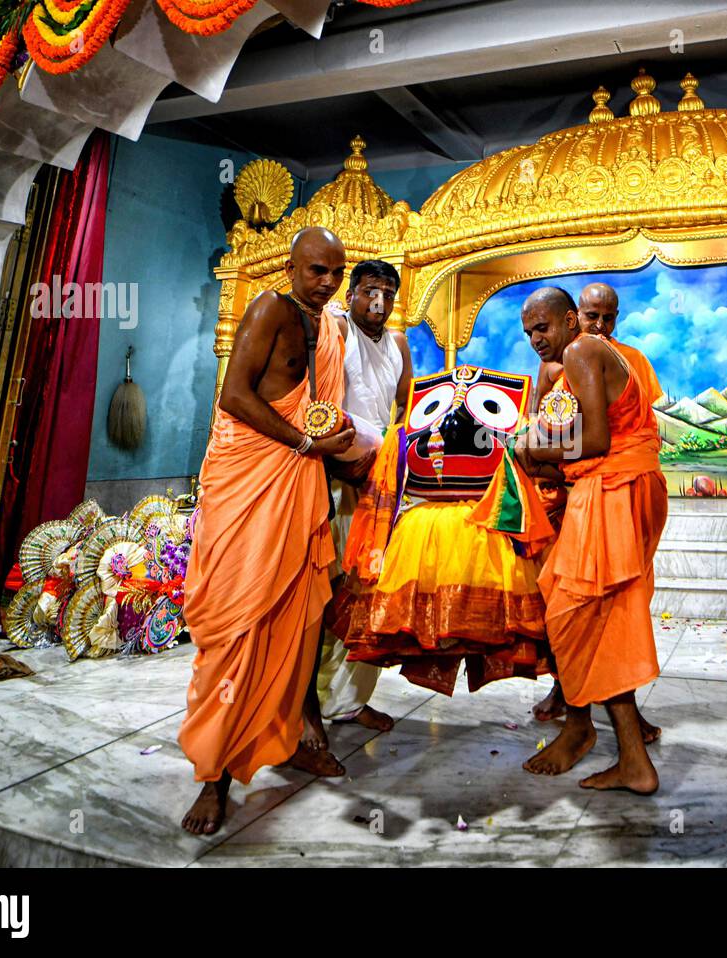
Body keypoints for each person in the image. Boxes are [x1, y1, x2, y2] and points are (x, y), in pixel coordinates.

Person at [179, 226, 356, 835]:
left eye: (337, 271)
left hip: (299, 478)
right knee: (239, 624)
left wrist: (336, 444)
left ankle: (300, 732)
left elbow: (315, 404)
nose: (328, 282)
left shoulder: (330, 327)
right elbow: (234, 395)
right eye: (316, 271)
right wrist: (309, 442)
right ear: (291, 267)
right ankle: (213, 777)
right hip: (251, 482)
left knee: (296, 614)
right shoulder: (269, 309)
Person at [518, 286, 668, 794]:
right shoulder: (573, 360)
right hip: (620, 485)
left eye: (543, 328)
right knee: (591, 614)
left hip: (612, 486)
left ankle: (609, 745)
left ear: (569, 320)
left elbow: (598, 440)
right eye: (529, 332)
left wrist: (534, 448)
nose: (537, 339)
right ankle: (613, 746)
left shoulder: (582, 349)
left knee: (578, 610)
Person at [312, 260, 412, 732]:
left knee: (365, 585)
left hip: (377, 481)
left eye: (388, 293)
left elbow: (408, 408)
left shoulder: (397, 344)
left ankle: (348, 699)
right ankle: (307, 697)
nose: (380, 301)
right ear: (351, 294)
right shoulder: (335, 329)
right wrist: (340, 460)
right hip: (329, 474)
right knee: (326, 588)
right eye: (371, 290)